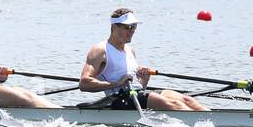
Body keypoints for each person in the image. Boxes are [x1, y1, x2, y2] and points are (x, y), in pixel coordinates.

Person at [79, 9, 208, 111]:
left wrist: (144, 79)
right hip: (119, 99)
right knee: (172, 103)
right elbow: (84, 83)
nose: (132, 31)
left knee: (185, 99)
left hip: (135, 94)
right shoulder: (100, 50)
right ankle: (197, 124)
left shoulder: (130, 51)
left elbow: (139, 88)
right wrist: (117, 84)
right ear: (114, 27)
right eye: (127, 27)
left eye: (134, 26)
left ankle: (211, 120)